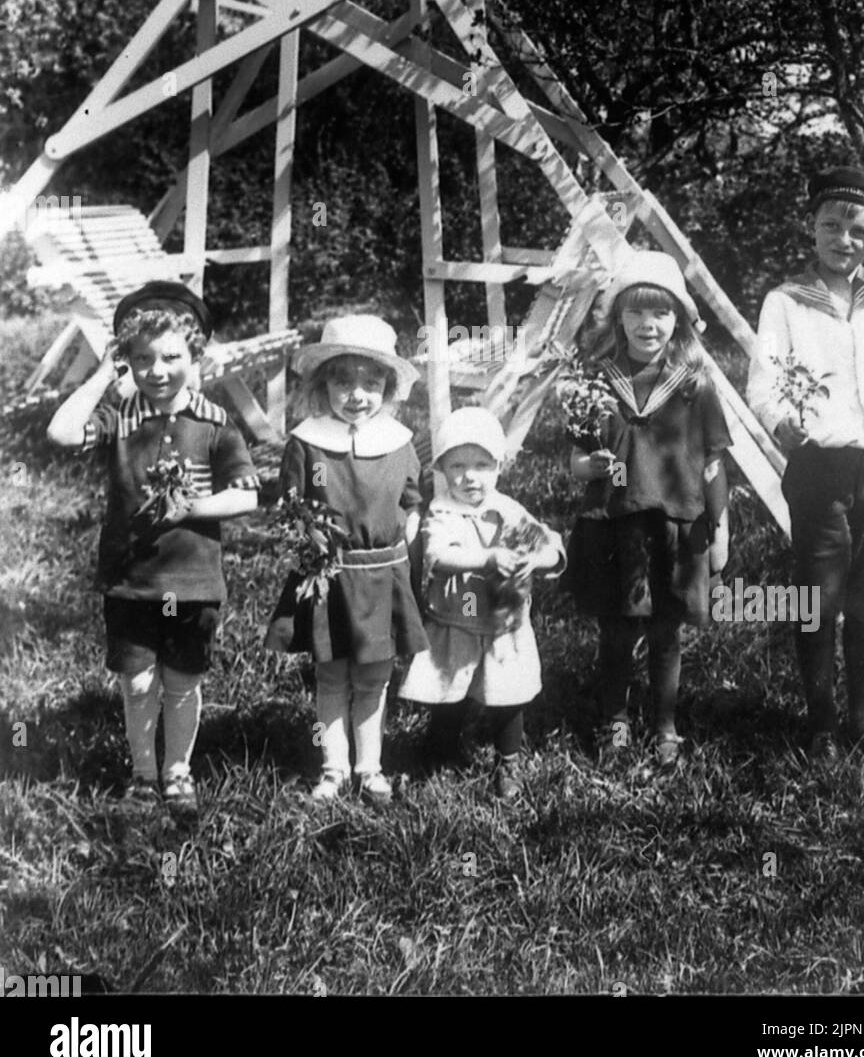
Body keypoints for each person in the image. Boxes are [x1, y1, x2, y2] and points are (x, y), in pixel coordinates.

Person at [747, 166, 864, 766]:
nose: (844, 240)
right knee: (818, 598)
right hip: (820, 469)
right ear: (812, 229)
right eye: (831, 226)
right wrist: (784, 424)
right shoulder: (785, 301)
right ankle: (822, 726)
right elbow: (763, 386)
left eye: (860, 230)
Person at [46, 281, 260, 820]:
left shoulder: (213, 424)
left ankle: (177, 771)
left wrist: (192, 508)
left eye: (171, 358)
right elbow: (62, 432)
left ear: (196, 357)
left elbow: (247, 494)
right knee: (138, 679)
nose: (157, 372)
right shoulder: (120, 420)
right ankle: (143, 774)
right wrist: (103, 377)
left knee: (182, 681)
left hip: (189, 579)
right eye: (141, 360)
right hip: (131, 578)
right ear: (127, 363)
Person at [563, 251, 731, 769]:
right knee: (616, 631)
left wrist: (719, 528)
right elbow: (574, 459)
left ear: (677, 319)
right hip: (615, 523)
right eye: (635, 312)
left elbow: (712, 463)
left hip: (675, 523)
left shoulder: (693, 384)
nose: (647, 325)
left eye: (659, 313)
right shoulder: (595, 381)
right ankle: (613, 720)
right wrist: (588, 465)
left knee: (667, 631)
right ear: (618, 318)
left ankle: (664, 725)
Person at [265, 315, 428, 806]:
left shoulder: (398, 443)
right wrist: (308, 544)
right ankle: (332, 769)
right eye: (342, 381)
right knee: (332, 674)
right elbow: (290, 506)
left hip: (382, 576)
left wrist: (405, 545)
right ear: (323, 384)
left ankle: (370, 767)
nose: (356, 395)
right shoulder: (308, 442)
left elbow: (412, 501)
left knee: (375, 675)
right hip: (329, 577)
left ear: (388, 389)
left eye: (370, 384)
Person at [398, 407, 565, 799]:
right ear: (440, 468)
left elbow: (552, 546)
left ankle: (509, 760)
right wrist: (488, 558)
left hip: (502, 624)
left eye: (481, 465)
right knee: (448, 694)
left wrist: (536, 561)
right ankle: (439, 751)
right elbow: (439, 555)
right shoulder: (442, 511)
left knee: (507, 698)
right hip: (456, 619)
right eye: (457, 465)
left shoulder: (509, 509)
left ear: (498, 467)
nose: (469, 476)